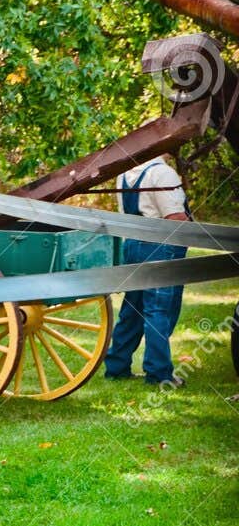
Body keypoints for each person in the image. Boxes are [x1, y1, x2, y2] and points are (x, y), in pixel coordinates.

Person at [104, 153, 190, 386]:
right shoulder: (162, 173)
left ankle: (116, 367)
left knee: (132, 311)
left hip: (133, 244)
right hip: (160, 246)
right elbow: (175, 217)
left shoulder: (125, 174)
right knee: (159, 310)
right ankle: (159, 372)